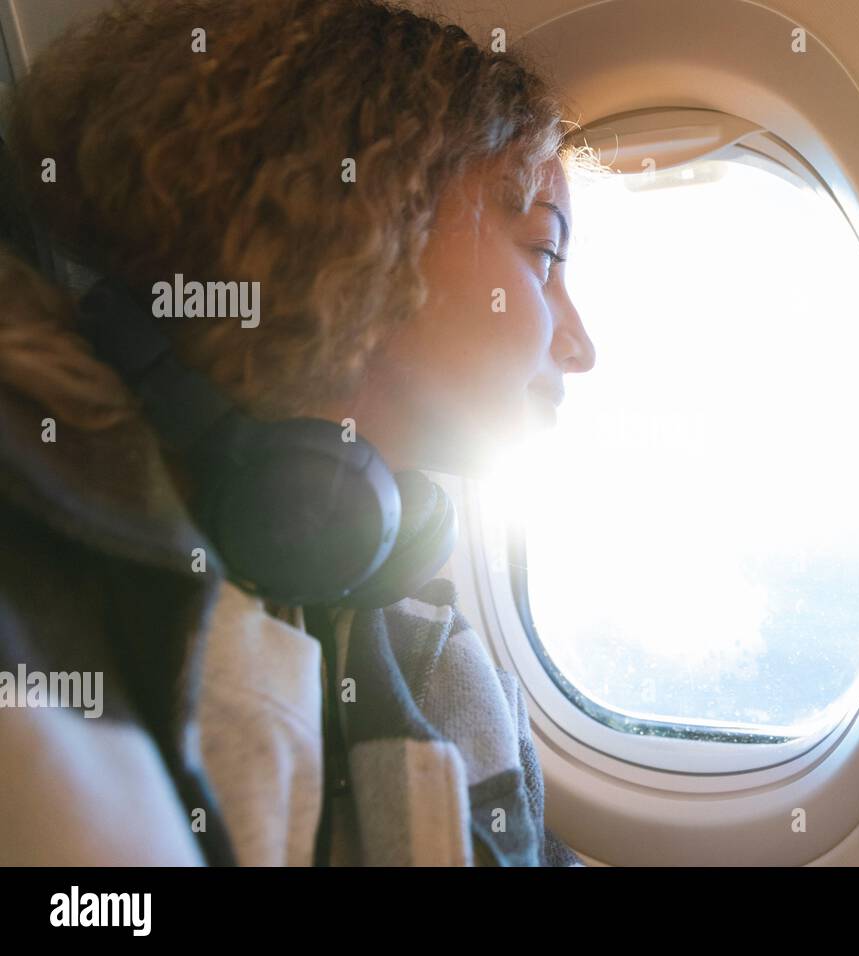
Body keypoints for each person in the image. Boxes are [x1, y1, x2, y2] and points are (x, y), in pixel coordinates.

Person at [0, 0, 597, 865]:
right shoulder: (38, 577)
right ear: (369, 221)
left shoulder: (414, 643)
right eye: (544, 254)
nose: (580, 345)